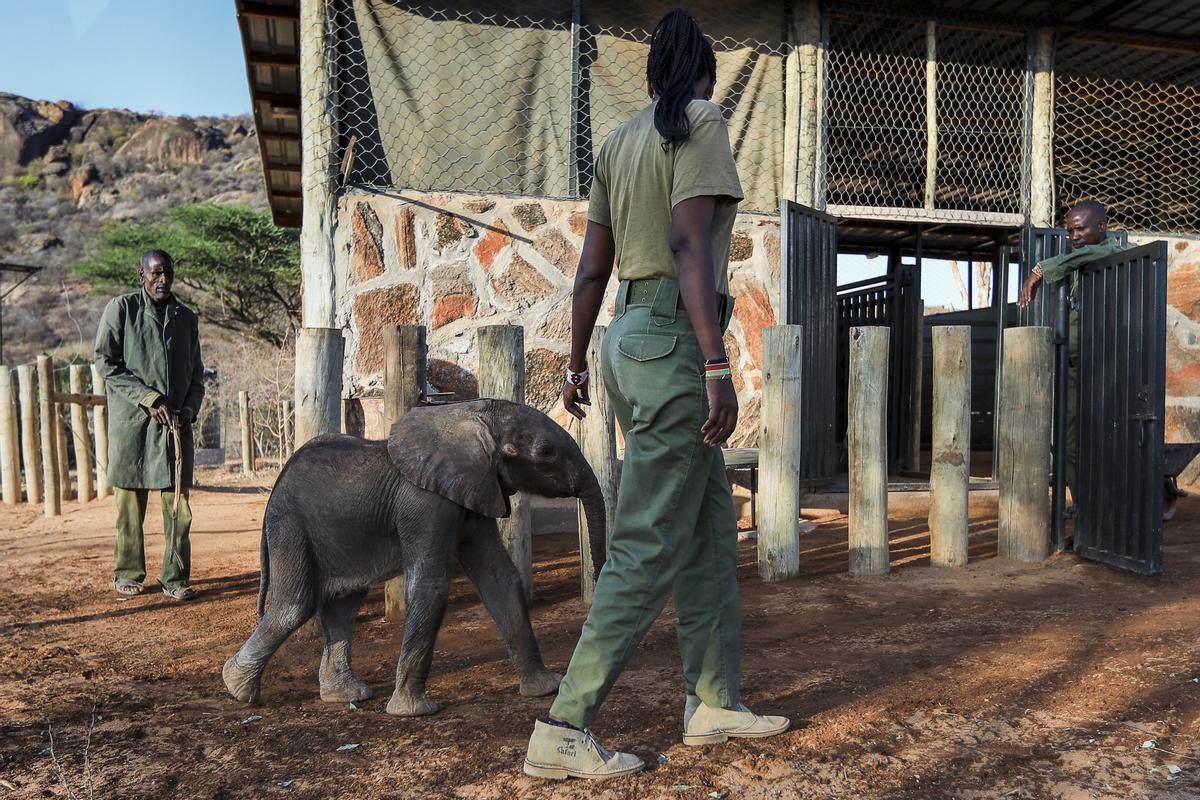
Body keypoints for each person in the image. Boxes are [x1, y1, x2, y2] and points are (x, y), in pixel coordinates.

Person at [522, 9, 788, 782]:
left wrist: (573, 365)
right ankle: (563, 725)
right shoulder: (699, 119)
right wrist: (716, 362)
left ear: (649, 78)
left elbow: (589, 274)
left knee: (707, 524)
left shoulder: (621, 140)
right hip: (674, 343)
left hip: (624, 342)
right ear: (701, 75)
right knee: (643, 544)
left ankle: (712, 701)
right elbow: (686, 243)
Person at [95, 249, 205, 601]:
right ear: (140, 273)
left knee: (179, 509)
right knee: (129, 508)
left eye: (168, 273)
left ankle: (175, 577)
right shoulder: (121, 310)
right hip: (134, 428)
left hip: (176, 428)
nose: (163, 280)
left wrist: (188, 410)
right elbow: (105, 363)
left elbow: (197, 377)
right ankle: (127, 572)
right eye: (156, 273)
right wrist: (149, 398)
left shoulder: (186, 318)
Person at [1018, 199, 1123, 504]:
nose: (1074, 236)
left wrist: (1039, 271)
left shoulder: (1109, 251)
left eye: (1080, 229)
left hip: (1104, 368)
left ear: (1102, 226)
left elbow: (1095, 252)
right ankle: (1085, 509)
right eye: (1069, 231)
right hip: (1074, 367)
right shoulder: (1081, 260)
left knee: (1105, 440)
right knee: (1069, 442)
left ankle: (1101, 509)